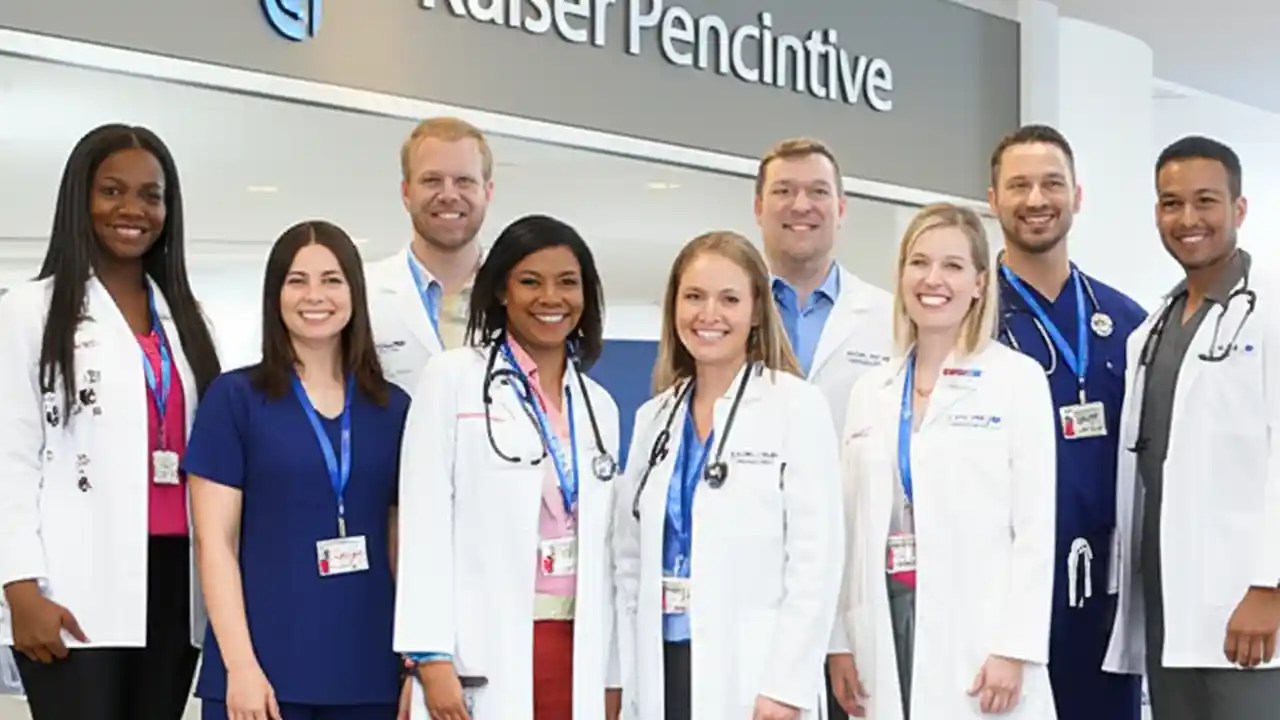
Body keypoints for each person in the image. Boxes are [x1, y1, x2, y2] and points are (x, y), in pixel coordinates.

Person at [0, 123, 221, 720]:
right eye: (112, 191)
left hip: (175, 580)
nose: (133, 209)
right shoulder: (30, 310)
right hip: (75, 583)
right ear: (81, 199)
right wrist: (19, 586)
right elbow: (10, 458)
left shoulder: (186, 317)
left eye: (151, 195)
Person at [829, 203, 1058, 719]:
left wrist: (1014, 648)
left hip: (980, 640)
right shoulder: (870, 391)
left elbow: (1036, 529)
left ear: (980, 282)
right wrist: (839, 641)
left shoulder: (1016, 380)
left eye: (953, 266)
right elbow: (848, 530)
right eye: (919, 262)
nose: (933, 280)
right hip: (883, 627)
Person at [394, 214, 622, 720]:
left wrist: (613, 672)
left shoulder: (598, 406)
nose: (551, 298)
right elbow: (425, 520)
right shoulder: (453, 379)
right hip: (485, 644)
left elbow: (609, 550)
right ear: (500, 289)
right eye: (530, 281)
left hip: (578, 643)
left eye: (568, 282)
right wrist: (430, 656)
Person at [184, 220, 410, 720]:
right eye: (297, 280)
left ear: (354, 292)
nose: (315, 295)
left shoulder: (392, 409)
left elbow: (402, 545)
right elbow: (214, 542)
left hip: (368, 671)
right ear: (275, 294)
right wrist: (241, 665)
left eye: (332, 279)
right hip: (260, 676)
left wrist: (416, 664)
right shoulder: (236, 399)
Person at [614, 230, 844, 720]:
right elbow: (629, 557)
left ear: (757, 311)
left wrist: (786, 686)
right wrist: (627, 673)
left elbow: (815, 561)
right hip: (663, 665)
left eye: (729, 299)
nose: (709, 314)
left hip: (756, 673)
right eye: (694, 297)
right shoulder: (653, 418)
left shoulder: (796, 406)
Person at [1104, 135, 1280, 718]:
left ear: (1239, 209)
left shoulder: (1271, 312)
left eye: (1205, 201)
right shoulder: (1150, 328)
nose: (1187, 219)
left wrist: (1269, 585)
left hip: (1246, 604)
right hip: (1167, 597)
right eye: (1170, 203)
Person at [987, 124, 1145, 720]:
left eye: (1052, 183)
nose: (1036, 199)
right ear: (993, 198)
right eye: (1019, 185)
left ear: (1077, 195)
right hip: (1005, 593)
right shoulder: (973, 321)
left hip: (1105, 595)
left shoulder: (1127, 320)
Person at [754, 137, 896, 720]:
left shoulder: (889, 319)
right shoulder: (728, 312)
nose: (800, 205)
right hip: (758, 579)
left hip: (860, 583)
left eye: (817, 191)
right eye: (783, 191)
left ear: (841, 208)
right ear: (758, 206)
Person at [367, 116, 494, 394]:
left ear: (488, 192)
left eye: (464, 181)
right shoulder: (361, 295)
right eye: (432, 180)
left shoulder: (517, 294)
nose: (449, 194)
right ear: (406, 193)